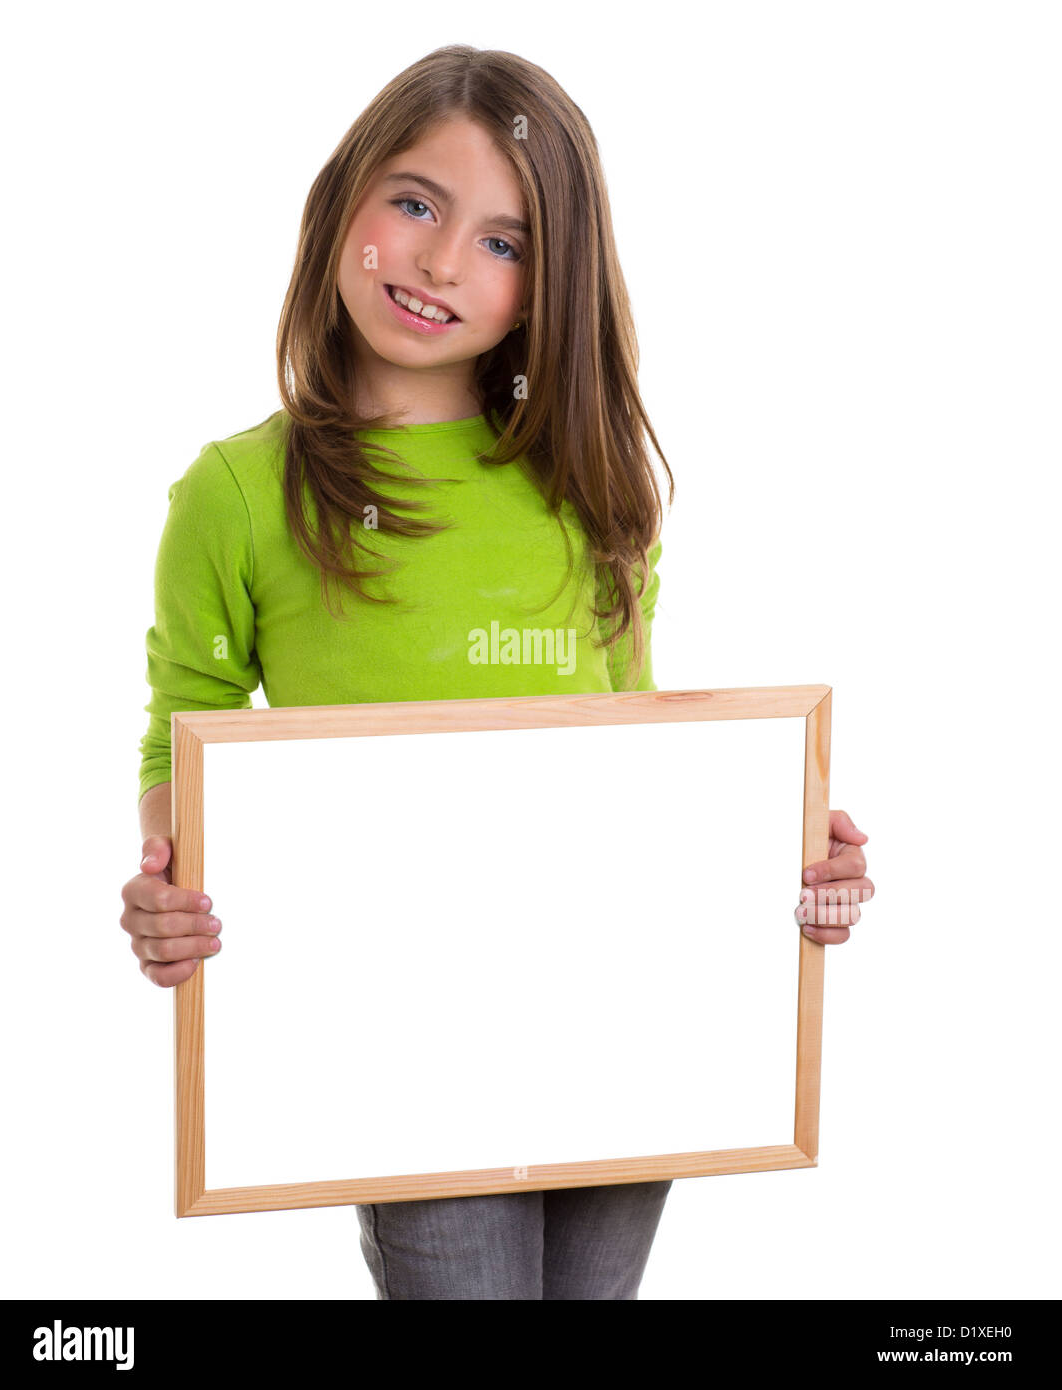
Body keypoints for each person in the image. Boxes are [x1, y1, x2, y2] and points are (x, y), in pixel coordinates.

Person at [119, 45, 875, 1300]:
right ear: (342, 206)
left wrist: (785, 856)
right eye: (415, 203)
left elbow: (630, 750)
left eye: (503, 241)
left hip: (617, 1019)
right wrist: (176, 884)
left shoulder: (590, 490)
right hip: (405, 1037)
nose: (438, 262)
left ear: (543, 288)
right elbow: (182, 734)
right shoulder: (240, 494)